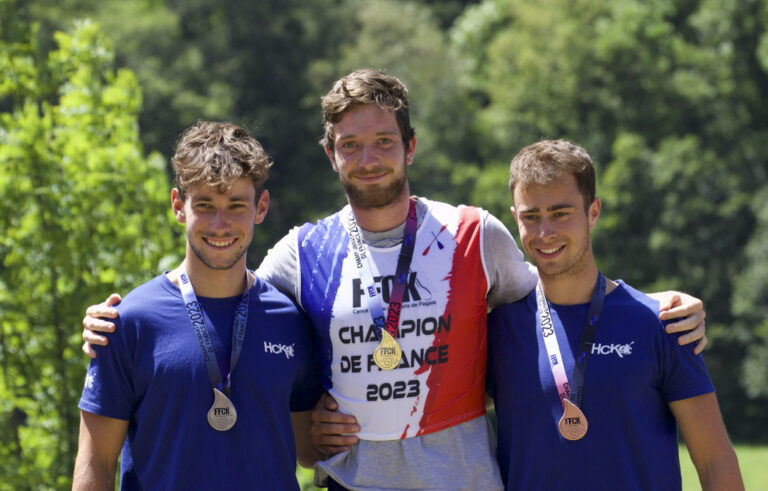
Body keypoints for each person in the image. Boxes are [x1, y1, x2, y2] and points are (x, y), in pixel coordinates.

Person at [81, 70, 707, 490]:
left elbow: (556, 304)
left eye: (384, 140)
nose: (369, 157)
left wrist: (654, 305)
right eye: (351, 145)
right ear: (331, 154)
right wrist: (120, 317)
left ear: (411, 146)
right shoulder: (301, 252)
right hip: (351, 484)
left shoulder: (476, 233)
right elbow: (224, 298)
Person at [72, 122, 322, 489]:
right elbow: (95, 463)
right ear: (178, 205)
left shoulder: (290, 320)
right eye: (205, 205)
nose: (220, 225)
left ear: (261, 207)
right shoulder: (128, 323)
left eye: (236, 205)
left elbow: (310, 451)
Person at [487, 139, 743, 490]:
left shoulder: (664, 324)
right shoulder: (498, 329)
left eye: (561, 213)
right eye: (532, 216)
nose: (545, 232)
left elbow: (715, 461)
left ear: (593, 212)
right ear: (516, 218)